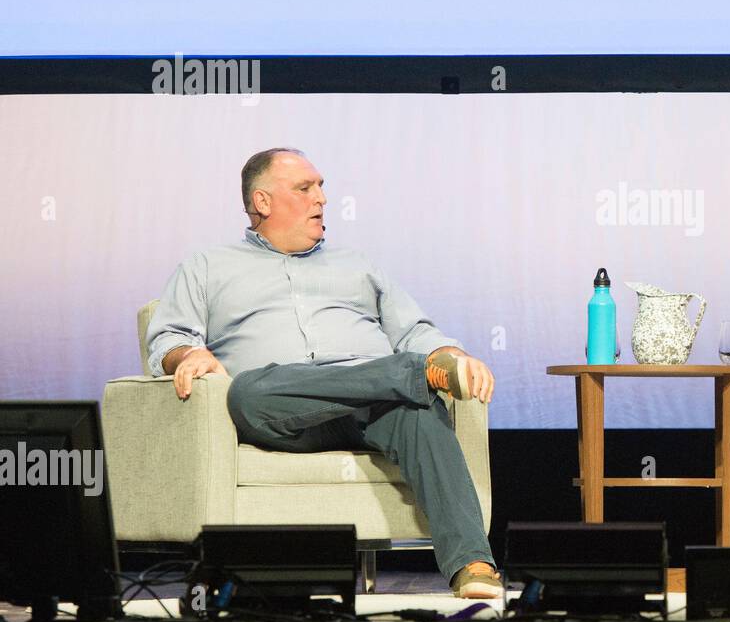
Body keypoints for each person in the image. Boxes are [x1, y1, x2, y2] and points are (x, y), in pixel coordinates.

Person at [145, 147, 502, 598]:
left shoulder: (357, 264)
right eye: (305, 188)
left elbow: (415, 331)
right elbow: (166, 340)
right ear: (263, 202)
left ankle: (472, 564)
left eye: (321, 187)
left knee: (418, 407)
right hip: (283, 412)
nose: (321, 199)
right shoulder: (207, 266)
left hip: (371, 410)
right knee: (247, 391)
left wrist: (452, 354)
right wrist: (186, 355)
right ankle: (408, 375)